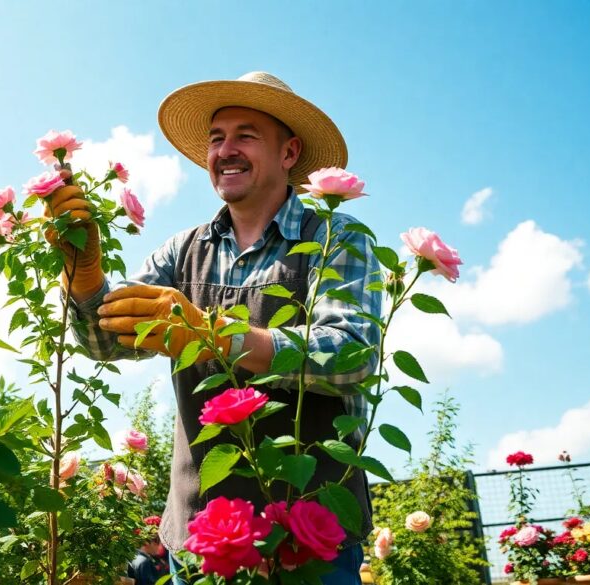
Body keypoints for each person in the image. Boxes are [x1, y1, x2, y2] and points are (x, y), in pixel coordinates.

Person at [50, 72, 381, 585]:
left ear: (289, 152)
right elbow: (104, 341)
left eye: (245, 135)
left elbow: (351, 356)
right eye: (215, 138)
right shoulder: (183, 251)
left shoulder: (335, 240)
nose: (225, 150)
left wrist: (214, 334)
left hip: (310, 536)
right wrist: (86, 277)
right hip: (202, 536)